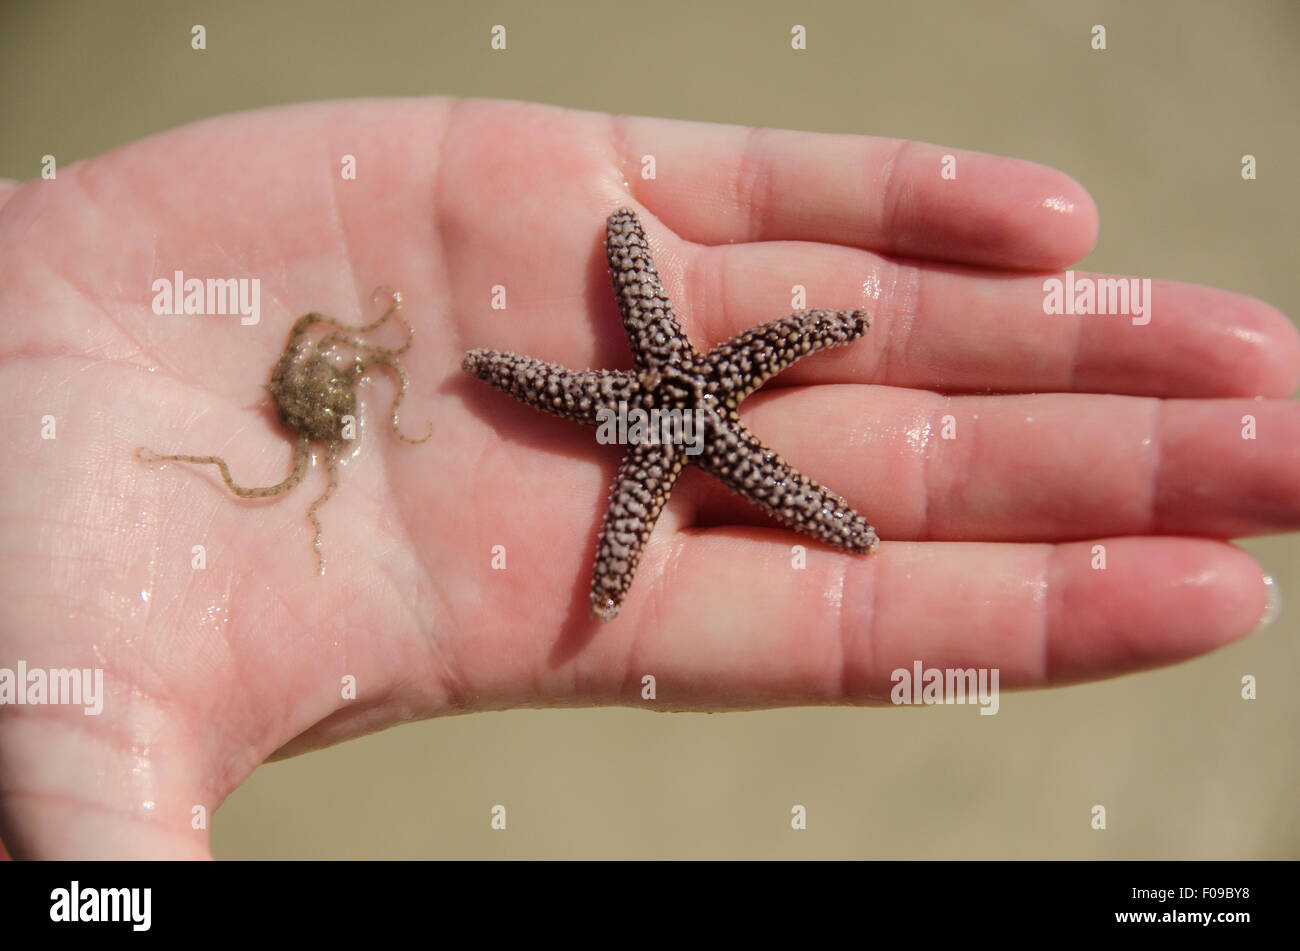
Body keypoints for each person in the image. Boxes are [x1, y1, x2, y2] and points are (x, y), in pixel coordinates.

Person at [0, 98, 1294, 859]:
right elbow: (609, 364)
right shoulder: (656, 403)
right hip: (665, 414)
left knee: (801, 495)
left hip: (673, 414)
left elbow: (706, 344)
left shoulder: (673, 402)